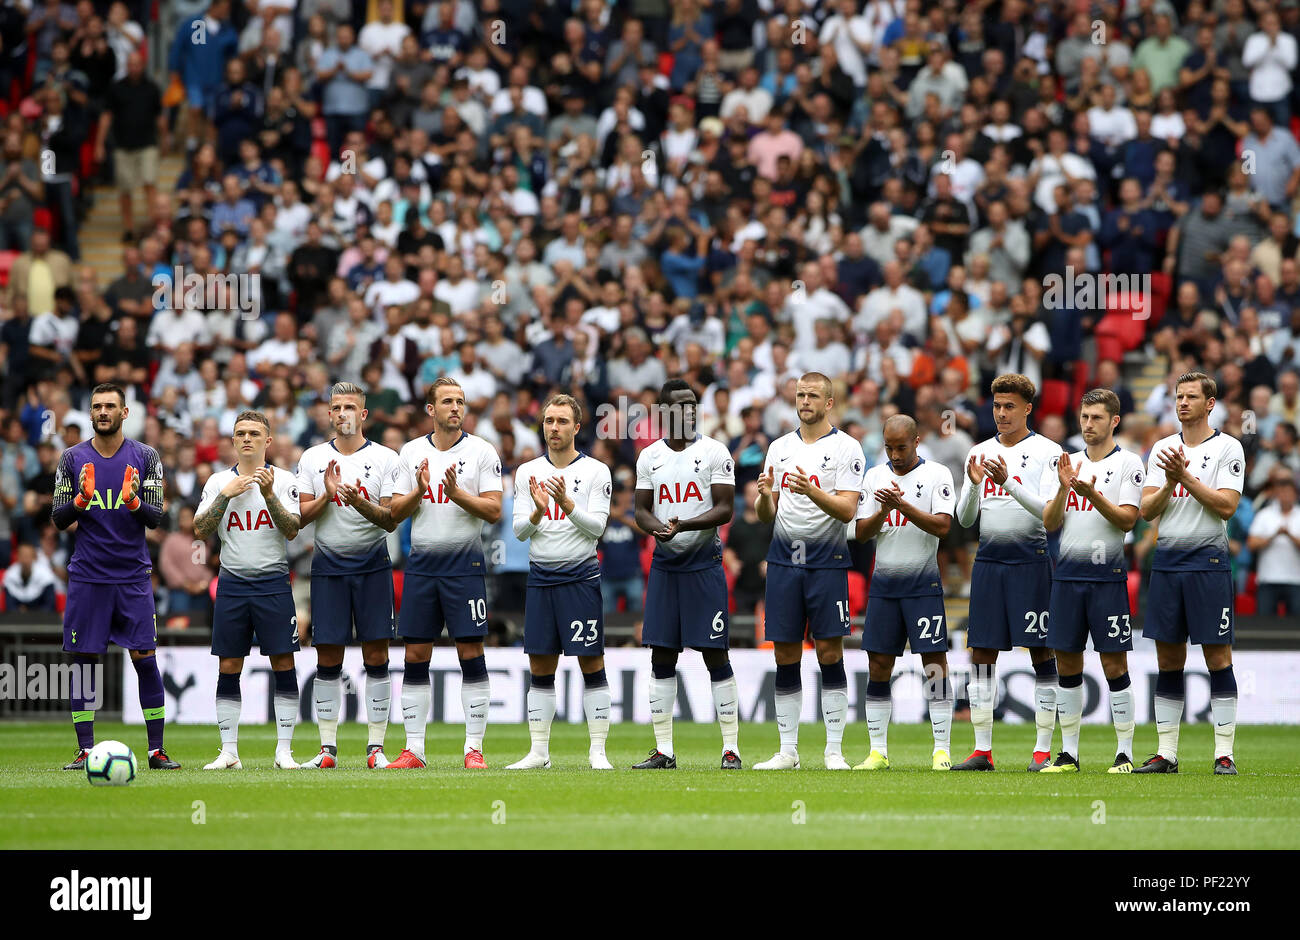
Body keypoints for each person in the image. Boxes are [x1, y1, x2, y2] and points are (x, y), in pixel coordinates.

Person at [50, 383, 179, 771]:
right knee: (84, 659)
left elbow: (157, 518)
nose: (103, 411)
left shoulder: (146, 457)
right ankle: (86, 750)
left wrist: (134, 500)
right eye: (96, 406)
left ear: (125, 413)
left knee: (144, 657)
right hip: (88, 575)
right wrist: (80, 500)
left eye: (110, 406)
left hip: (132, 576)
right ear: (90, 414)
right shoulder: (72, 459)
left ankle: (156, 750)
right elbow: (58, 519)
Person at [384, 378, 502, 769]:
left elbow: (493, 510)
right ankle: (414, 748)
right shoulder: (411, 452)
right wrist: (419, 491)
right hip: (421, 567)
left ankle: (474, 749)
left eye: (460, 401)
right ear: (430, 409)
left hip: (464, 567)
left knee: (471, 650)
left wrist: (458, 495)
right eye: (447, 401)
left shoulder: (482, 451)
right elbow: (392, 515)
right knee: (416, 653)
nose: (455, 407)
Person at [952, 373, 1063, 772]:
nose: (1001, 413)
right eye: (997, 406)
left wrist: (1008, 483)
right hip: (989, 562)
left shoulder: (1048, 453)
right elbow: (964, 520)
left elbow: (1050, 515)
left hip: (1031, 560)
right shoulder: (979, 451)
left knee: (1041, 652)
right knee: (981, 653)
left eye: (1009, 406)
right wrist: (971, 484)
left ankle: (1041, 751)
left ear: (1028, 409)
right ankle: (982, 751)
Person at [753, 372, 863, 770]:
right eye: (800, 395)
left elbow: (849, 510)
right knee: (785, 653)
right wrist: (765, 497)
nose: (805, 401)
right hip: (784, 560)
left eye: (813, 395)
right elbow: (767, 514)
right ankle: (788, 751)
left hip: (827, 562)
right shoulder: (779, 447)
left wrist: (811, 490)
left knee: (830, 652)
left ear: (829, 402)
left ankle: (834, 750)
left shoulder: (848, 448)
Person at [1137, 372, 1245, 774]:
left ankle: (1224, 753)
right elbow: (1147, 511)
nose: (1182, 402)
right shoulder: (1163, 448)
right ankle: (1167, 753)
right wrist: (1169, 482)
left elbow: (1226, 506)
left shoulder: (1228, 447)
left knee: (1217, 656)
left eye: (1191, 397)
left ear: (1210, 403)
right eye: (1178, 396)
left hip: (1208, 564)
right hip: (1166, 562)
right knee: (1168, 658)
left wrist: (1184, 477)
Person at [631, 379, 741, 770]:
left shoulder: (715, 451)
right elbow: (641, 508)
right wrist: (654, 527)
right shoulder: (650, 457)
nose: (690, 411)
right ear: (664, 413)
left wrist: (684, 524)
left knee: (715, 653)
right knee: (662, 654)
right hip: (665, 566)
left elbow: (726, 508)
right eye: (681, 405)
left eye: (694, 404)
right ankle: (664, 751)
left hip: (704, 565)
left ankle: (731, 749)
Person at [295, 382, 403, 770]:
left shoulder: (388, 459)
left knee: (377, 655)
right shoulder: (311, 458)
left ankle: (376, 748)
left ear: (364, 415)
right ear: (328, 414)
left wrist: (359, 501)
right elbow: (299, 519)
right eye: (336, 407)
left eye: (350, 407)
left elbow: (390, 519)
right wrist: (327, 494)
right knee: (328, 656)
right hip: (328, 568)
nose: (342, 413)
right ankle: (327, 750)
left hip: (373, 566)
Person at [1040, 389, 1145, 773]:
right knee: (1066, 663)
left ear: (1114, 420)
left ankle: (1125, 753)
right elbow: (1050, 523)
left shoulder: (1129, 463)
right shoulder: (1069, 462)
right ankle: (1068, 754)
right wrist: (1066, 486)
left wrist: (1093, 494)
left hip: (1107, 577)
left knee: (1113, 664)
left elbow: (1128, 520)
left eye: (1096, 418)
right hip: (1067, 576)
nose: (1088, 424)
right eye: (1084, 417)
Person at [507, 394, 613, 770]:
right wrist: (537, 509)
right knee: (540, 665)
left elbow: (597, 528)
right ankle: (539, 752)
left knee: (590, 662)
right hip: (541, 577)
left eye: (562, 421)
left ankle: (598, 751)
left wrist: (567, 504)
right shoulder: (526, 472)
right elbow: (519, 532)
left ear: (577, 427)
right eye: (549, 421)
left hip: (580, 577)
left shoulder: (597, 472)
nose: (554, 428)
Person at [193, 410, 303, 770]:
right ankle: (229, 751)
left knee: (283, 662)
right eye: (240, 433)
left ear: (268, 441)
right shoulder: (216, 482)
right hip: (232, 583)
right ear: (232, 440)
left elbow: (291, 530)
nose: (247, 439)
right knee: (229, 664)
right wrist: (225, 496)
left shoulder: (284, 480)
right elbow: (199, 529)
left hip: (273, 582)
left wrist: (268, 494)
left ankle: (284, 750)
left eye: (255, 433)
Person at [850, 413, 956, 771]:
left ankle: (941, 749)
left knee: (934, 665)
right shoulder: (874, 476)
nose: (895, 455)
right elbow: (861, 534)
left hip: (922, 585)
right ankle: (877, 751)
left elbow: (943, 527)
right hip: (884, 585)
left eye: (901, 447)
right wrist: (883, 510)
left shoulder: (936, 475)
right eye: (889, 447)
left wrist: (903, 506)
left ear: (917, 440)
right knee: (879, 664)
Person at [1245, 471, 1300, 616]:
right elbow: (1251, 544)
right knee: (1264, 627)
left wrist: (1289, 535)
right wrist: (1273, 536)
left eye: (1288, 492)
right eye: (1281, 492)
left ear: (1295, 495)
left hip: (1295, 580)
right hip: (1267, 578)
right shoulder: (1265, 514)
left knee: (1296, 628)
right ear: (1276, 494)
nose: (1285, 496)